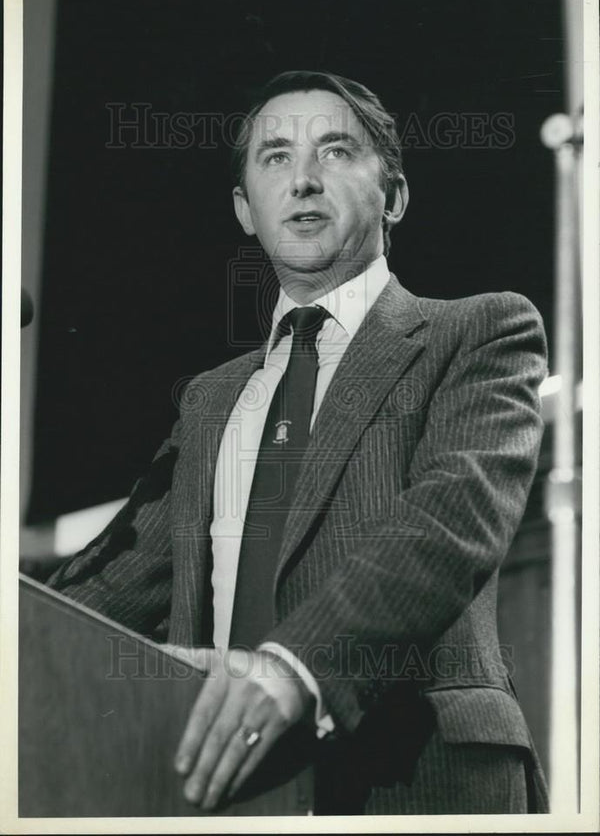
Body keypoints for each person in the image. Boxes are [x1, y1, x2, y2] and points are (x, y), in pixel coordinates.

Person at [47, 70, 549, 815]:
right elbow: (112, 584)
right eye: (276, 157)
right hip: (221, 789)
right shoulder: (211, 398)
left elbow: (451, 519)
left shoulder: (477, 331)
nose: (304, 179)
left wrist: (293, 667)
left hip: (414, 783)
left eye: (337, 151)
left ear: (396, 197)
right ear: (246, 210)